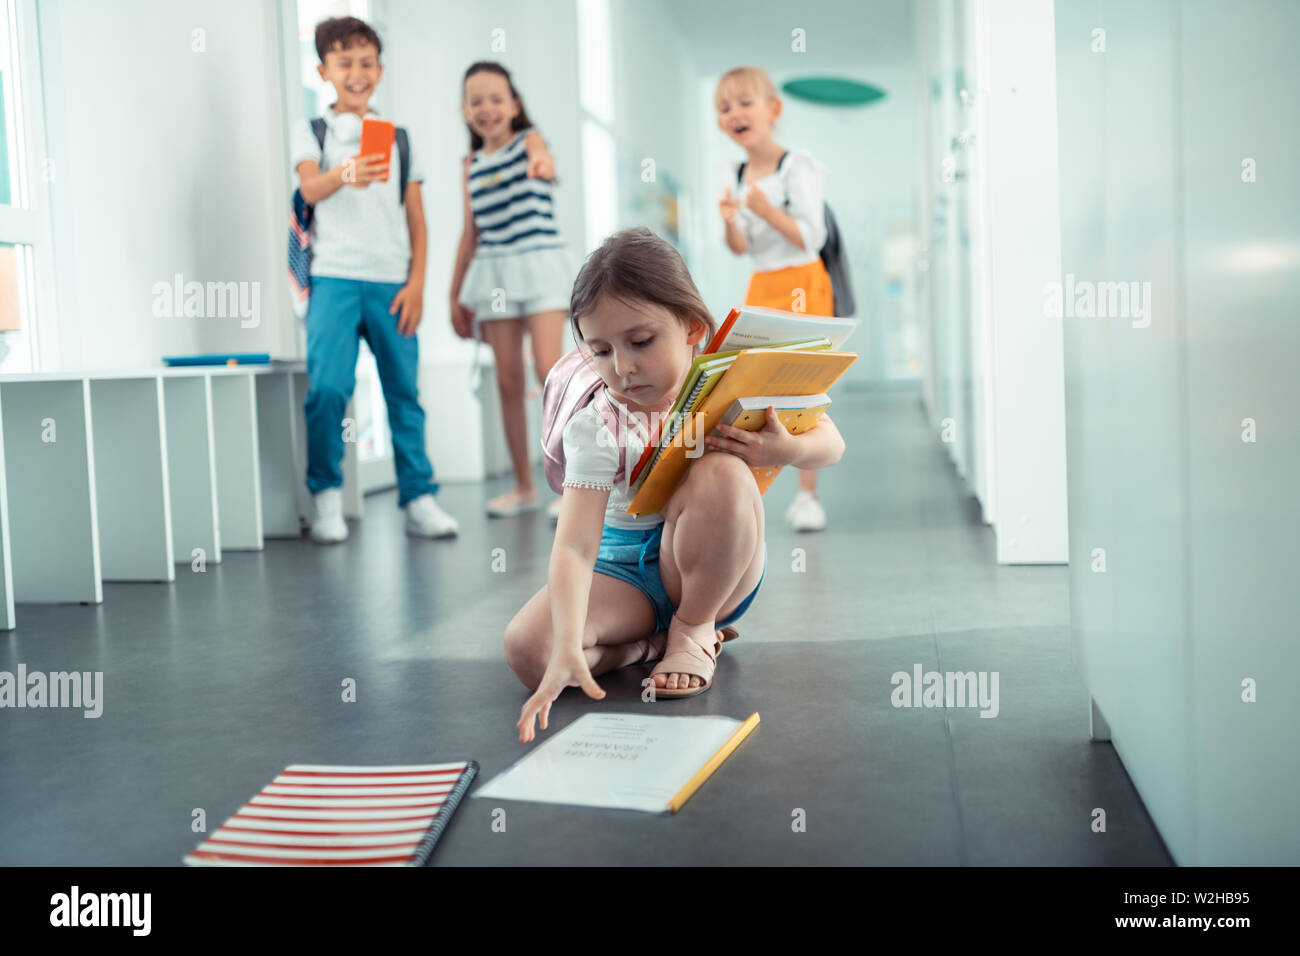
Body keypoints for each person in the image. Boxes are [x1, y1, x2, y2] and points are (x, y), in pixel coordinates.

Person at [505, 228, 846, 742]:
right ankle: (646, 646)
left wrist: (785, 450)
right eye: (599, 351)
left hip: (714, 566)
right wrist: (570, 644)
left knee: (723, 471)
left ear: (691, 326)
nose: (622, 368)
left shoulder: (734, 380)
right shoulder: (597, 423)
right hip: (623, 573)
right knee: (529, 649)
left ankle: (693, 627)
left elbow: (831, 442)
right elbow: (576, 546)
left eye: (640, 342)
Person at [290, 15, 458, 544]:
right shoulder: (311, 131)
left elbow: (418, 219)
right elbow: (307, 192)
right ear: (324, 71)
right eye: (345, 63)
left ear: (379, 71)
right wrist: (343, 173)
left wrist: (417, 284)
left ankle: (419, 498)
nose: (357, 73)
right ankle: (326, 501)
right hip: (332, 280)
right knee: (328, 391)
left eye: (366, 63)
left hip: (391, 283)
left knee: (404, 393)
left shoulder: (401, 139)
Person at [449, 62, 573, 521]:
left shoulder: (529, 143)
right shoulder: (471, 164)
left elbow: (544, 158)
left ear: (514, 105)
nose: (487, 108)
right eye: (476, 100)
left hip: (539, 264)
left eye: (496, 98)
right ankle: (523, 486)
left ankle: (570, 482)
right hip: (494, 271)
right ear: (465, 111)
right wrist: (454, 294)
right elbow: (470, 234)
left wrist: (544, 163)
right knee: (505, 379)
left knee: (549, 373)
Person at [717, 65, 834, 532]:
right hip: (762, 282)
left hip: (803, 280)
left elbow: (812, 235)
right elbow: (741, 247)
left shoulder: (796, 166)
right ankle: (749, 494)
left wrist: (766, 210)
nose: (734, 114)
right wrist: (730, 220)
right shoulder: (734, 172)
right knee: (753, 388)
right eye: (724, 108)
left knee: (806, 387)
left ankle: (808, 498)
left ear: (773, 109)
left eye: (745, 103)